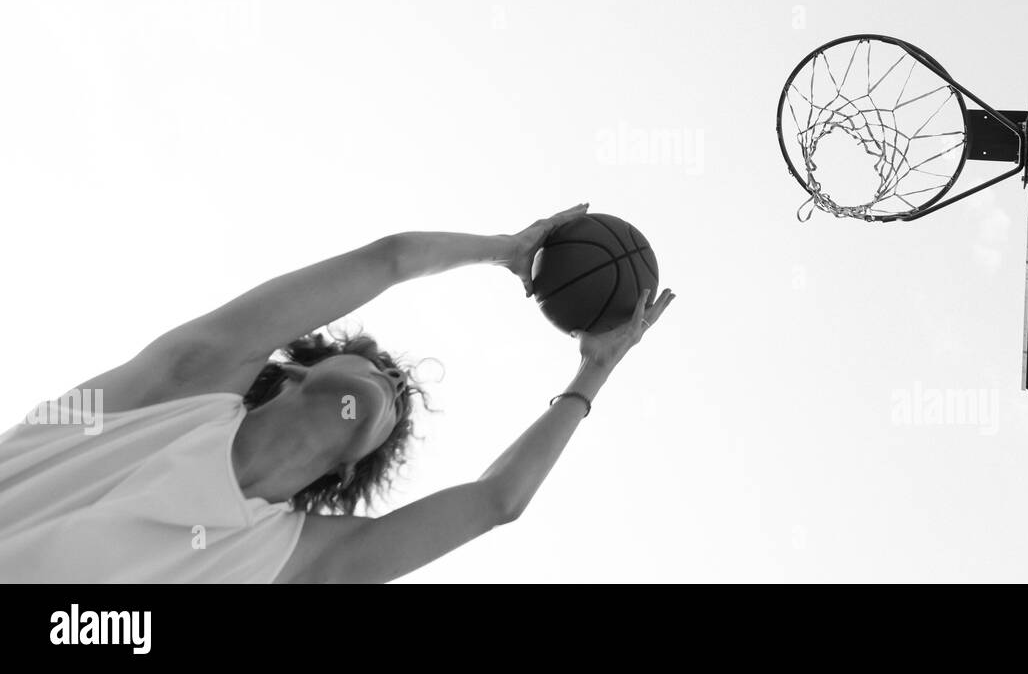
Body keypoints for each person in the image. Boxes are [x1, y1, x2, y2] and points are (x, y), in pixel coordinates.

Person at [0, 203, 674, 583]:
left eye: (392, 405)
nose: (389, 384)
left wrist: (594, 371)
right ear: (294, 370)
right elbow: (387, 259)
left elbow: (498, 500)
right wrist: (509, 249)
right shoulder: (177, 391)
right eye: (373, 366)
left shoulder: (300, 559)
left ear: (354, 464)